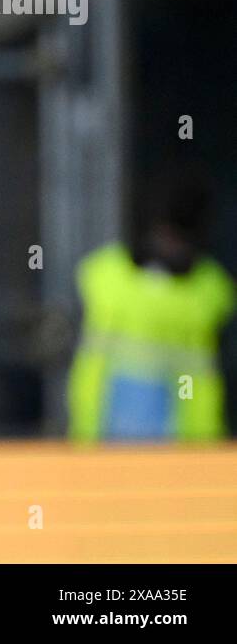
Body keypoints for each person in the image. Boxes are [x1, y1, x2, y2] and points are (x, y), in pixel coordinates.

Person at [67, 167, 236, 442]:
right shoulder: (104, 275)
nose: (168, 246)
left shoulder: (211, 290)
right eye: (163, 234)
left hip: (188, 447)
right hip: (102, 441)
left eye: (178, 238)